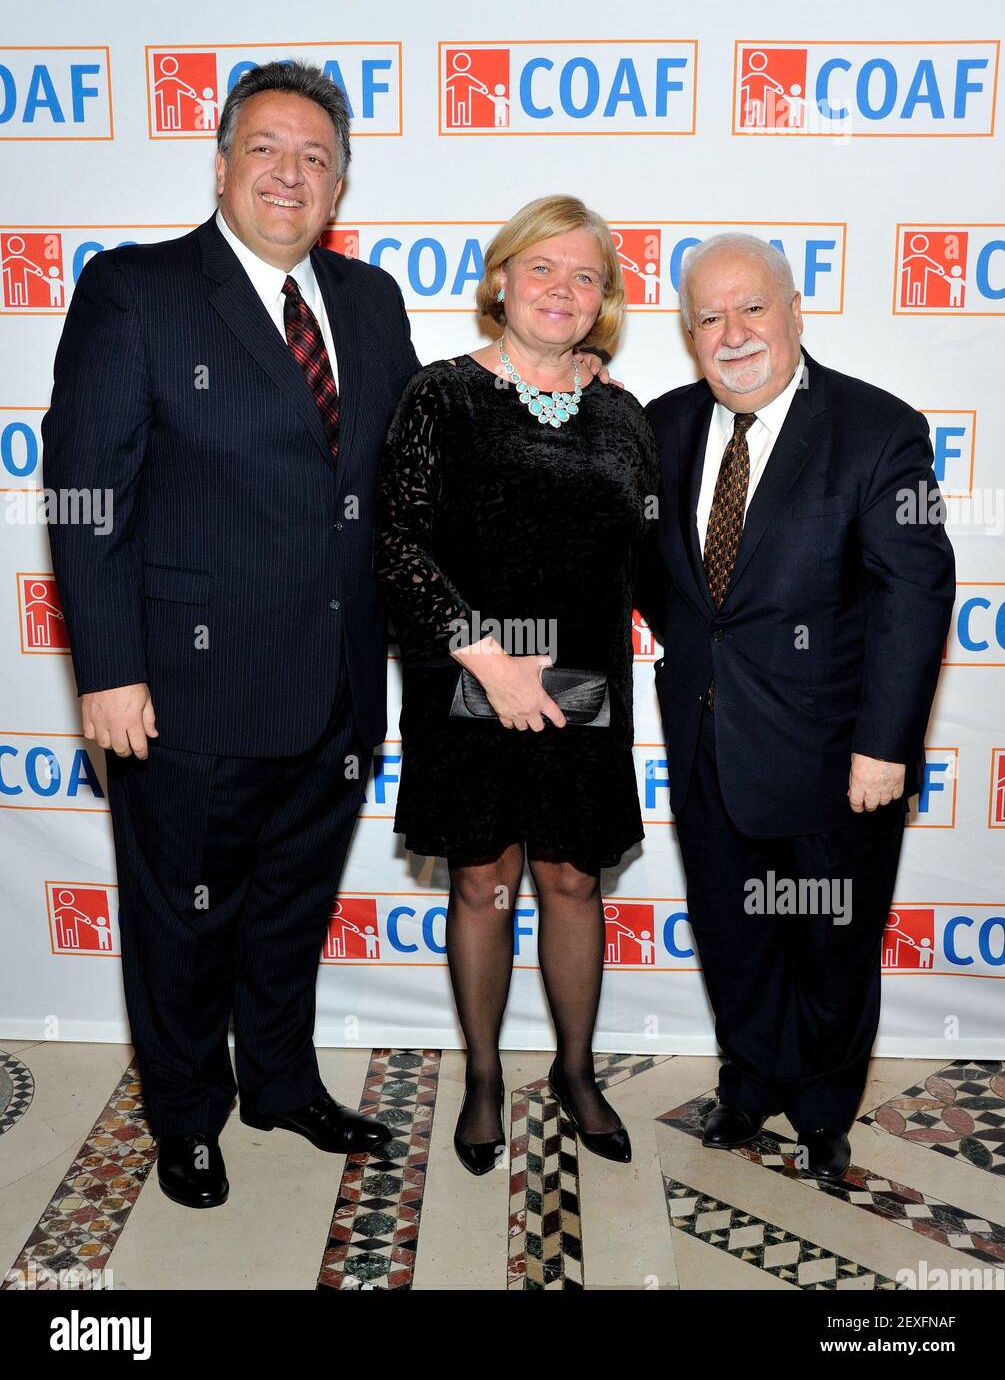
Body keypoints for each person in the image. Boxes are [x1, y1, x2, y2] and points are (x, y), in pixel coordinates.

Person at [42, 61, 423, 1209]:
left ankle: (282, 1082)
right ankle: (187, 1115)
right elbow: (86, 494)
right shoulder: (136, 291)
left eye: (315, 158)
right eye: (266, 148)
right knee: (185, 923)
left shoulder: (371, 300)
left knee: (291, 906)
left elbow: (415, 469)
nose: (289, 174)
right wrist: (109, 671)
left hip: (338, 686)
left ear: (339, 186)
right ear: (220, 166)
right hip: (186, 692)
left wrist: (544, 395)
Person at [644, 233, 955, 1179]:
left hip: (836, 756)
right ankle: (749, 1085)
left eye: (751, 308)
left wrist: (884, 746)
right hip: (705, 737)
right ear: (688, 333)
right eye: (708, 317)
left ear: (793, 310)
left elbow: (914, 593)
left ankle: (822, 1108)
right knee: (732, 933)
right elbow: (660, 582)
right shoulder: (662, 426)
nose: (732, 333)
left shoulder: (875, 428)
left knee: (831, 941)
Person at [375, 195, 658, 1174]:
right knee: (483, 879)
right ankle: (485, 1077)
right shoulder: (440, 396)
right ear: (501, 279)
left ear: (602, 301)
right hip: (470, 676)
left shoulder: (621, 412)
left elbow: (648, 553)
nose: (561, 288)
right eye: (542, 267)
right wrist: (485, 655)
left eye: (585, 276)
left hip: (583, 680)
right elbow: (398, 543)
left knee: (573, 877)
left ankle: (576, 1072)